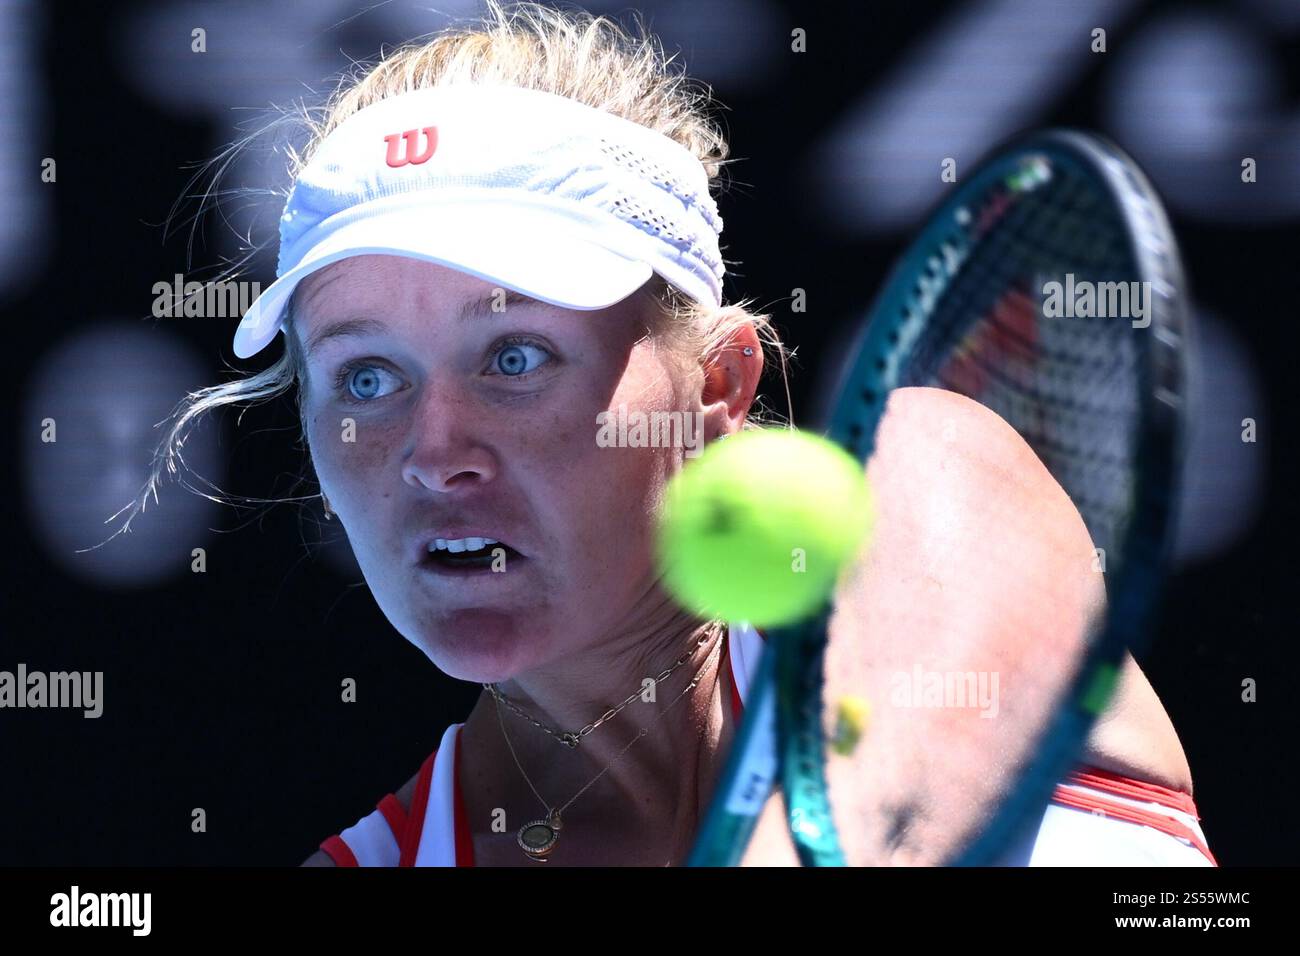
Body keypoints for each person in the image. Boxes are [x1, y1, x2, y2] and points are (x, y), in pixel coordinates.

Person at [137, 1, 1213, 866]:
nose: (433, 447)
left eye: (514, 355)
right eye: (365, 376)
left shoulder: (914, 499)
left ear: (720, 383)